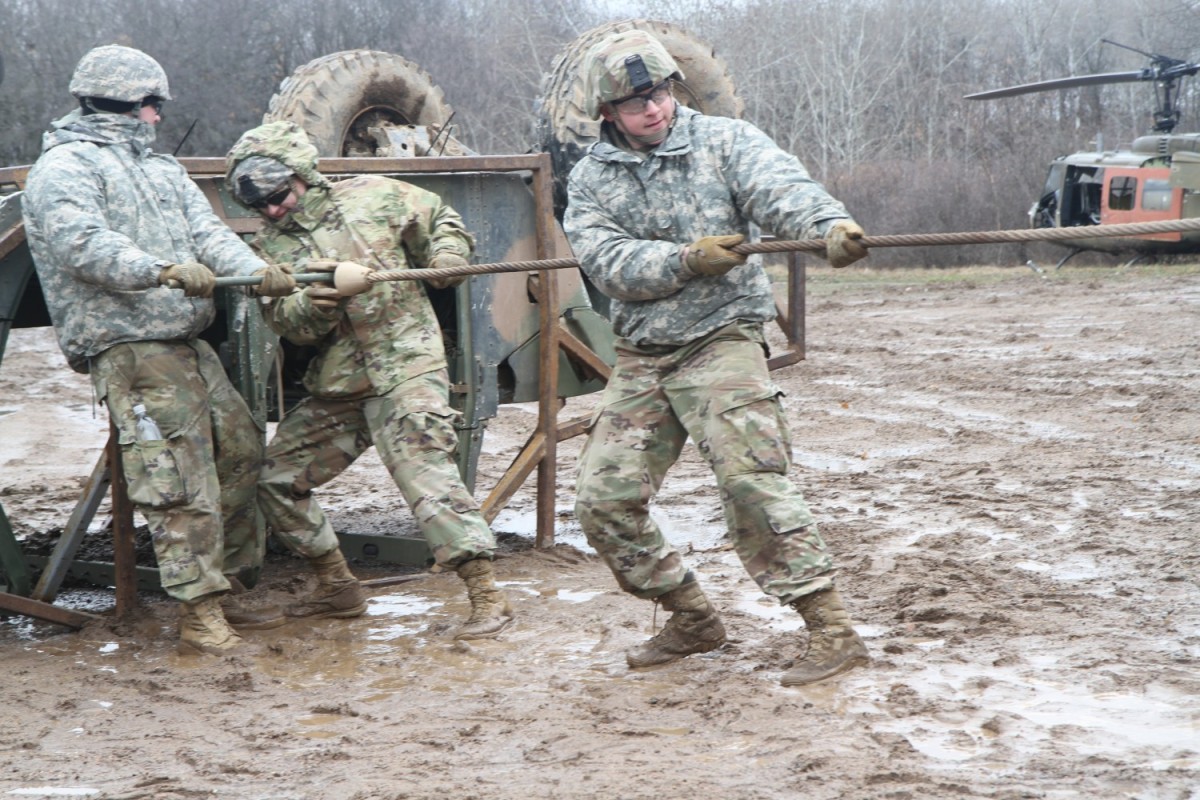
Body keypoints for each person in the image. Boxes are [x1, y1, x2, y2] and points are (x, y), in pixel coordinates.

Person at [562, 30, 871, 686]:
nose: (654, 108)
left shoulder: (724, 141)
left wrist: (827, 228)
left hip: (721, 336)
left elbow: (781, 189)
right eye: (635, 102)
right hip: (644, 353)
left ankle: (832, 631)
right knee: (602, 499)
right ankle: (692, 617)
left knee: (750, 477)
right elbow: (605, 261)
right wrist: (682, 260)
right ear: (607, 112)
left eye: (660, 92)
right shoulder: (589, 180)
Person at [21, 45, 296, 654]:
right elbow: (80, 244)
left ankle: (228, 585)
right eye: (153, 106)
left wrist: (255, 271)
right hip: (130, 344)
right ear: (130, 104)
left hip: (184, 340)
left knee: (242, 451)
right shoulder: (65, 167)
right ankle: (200, 612)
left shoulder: (161, 170)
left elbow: (208, 234)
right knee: (177, 477)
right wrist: (160, 270)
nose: (159, 117)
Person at [223, 121, 514, 639]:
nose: (273, 210)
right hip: (341, 384)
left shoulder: (374, 195)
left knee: (426, 474)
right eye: (259, 205)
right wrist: (314, 306)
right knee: (276, 480)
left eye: (278, 195)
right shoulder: (268, 251)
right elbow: (287, 324)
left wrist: (448, 255)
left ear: (302, 175)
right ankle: (337, 586)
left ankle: (486, 596)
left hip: (407, 365)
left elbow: (442, 219)